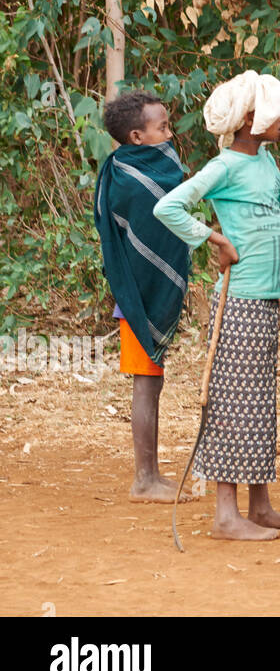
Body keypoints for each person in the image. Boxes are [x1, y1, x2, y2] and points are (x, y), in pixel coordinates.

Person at [154, 71, 280, 541]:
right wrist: (214, 238)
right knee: (230, 406)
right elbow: (169, 208)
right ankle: (226, 515)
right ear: (249, 120)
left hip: (265, 300)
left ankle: (260, 507)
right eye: (273, 112)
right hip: (238, 301)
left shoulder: (264, 159)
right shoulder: (223, 166)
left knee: (259, 404)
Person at [94, 91, 192, 504]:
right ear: (137, 136)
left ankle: (151, 474)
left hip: (144, 297)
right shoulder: (129, 180)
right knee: (146, 385)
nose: (169, 133)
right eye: (162, 127)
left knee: (153, 381)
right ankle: (144, 480)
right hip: (137, 300)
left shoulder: (140, 168)